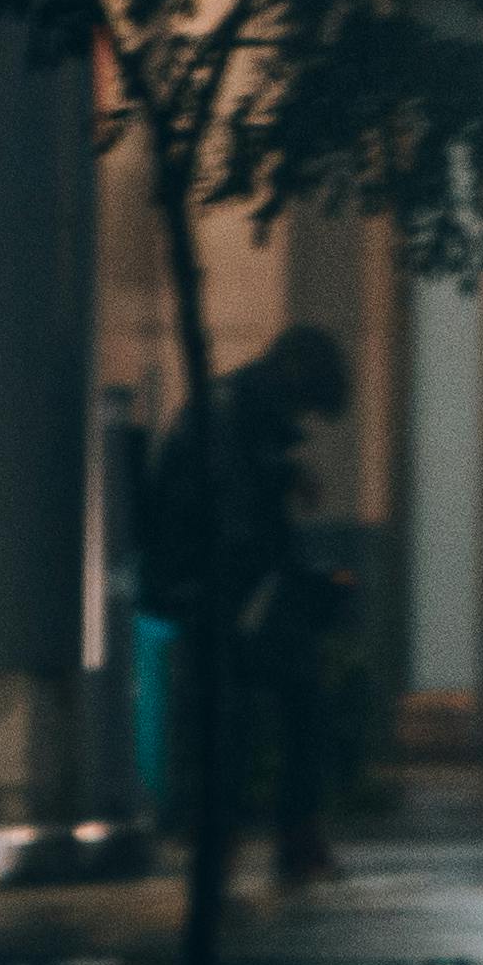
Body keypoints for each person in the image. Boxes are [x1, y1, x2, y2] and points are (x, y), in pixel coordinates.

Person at [145, 322, 354, 886]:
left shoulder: (236, 411)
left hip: (213, 587)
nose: (303, 423)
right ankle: (278, 841)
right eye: (307, 407)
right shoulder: (235, 417)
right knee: (271, 706)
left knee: (242, 714)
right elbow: (237, 524)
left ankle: (242, 841)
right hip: (221, 591)